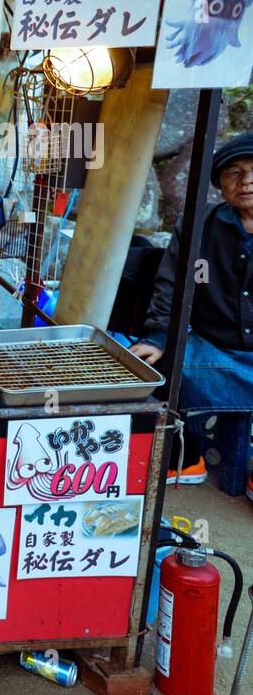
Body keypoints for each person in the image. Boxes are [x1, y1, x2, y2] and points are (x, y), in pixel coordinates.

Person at [128, 132, 253, 495]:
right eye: (234, 172)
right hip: (216, 351)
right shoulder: (199, 226)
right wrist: (158, 337)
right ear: (220, 185)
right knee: (158, 364)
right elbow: (172, 285)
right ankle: (186, 457)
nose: (246, 181)